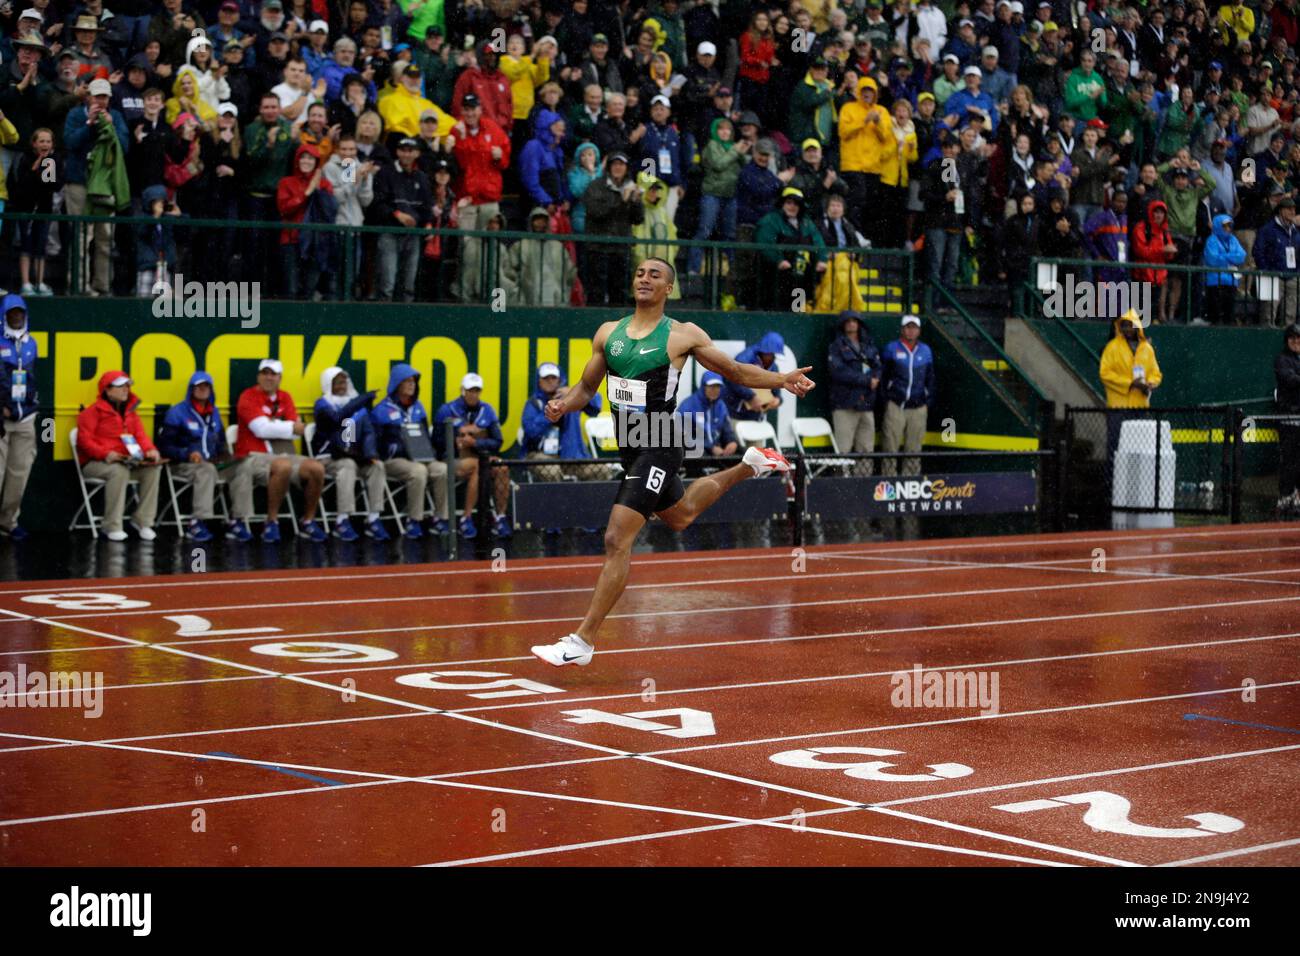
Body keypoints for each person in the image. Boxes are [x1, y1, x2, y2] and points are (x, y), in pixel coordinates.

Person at [529, 258, 814, 667]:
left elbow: (733, 370)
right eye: (640, 272)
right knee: (680, 516)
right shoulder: (608, 334)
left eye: (655, 275)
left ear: (669, 289)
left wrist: (780, 380)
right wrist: (563, 405)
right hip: (630, 443)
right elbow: (587, 387)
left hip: (660, 441)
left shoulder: (682, 336)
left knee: (616, 538)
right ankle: (749, 464)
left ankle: (583, 640)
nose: (645, 278)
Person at [233, 358, 328, 542]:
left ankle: (308, 521)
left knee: (316, 468)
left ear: (280, 378)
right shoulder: (248, 396)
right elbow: (260, 429)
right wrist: (287, 427)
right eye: (265, 373)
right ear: (258, 376)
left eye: (273, 374)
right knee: (282, 466)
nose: (269, 378)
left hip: (283, 454)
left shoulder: (286, 397)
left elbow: (298, 432)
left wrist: (278, 426)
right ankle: (271, 522)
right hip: (252, 456)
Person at [75, 371, 162, 542]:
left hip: (127, 462)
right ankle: (111, 525)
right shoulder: (91, 412)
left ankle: (142, 521)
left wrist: (151, 450)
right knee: (118, 471)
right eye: (121, 386)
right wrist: (106, 454)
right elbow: (84, 441)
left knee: (152, 469)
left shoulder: (131, 414)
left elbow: (141, 437)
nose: (126, 389)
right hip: (96, 464)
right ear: (107, 390)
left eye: (127, 386)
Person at [370, 363, 451, 538]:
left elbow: (425, 436)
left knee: (442, 469)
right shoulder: (381, 410)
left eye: (413, 381)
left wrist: (428, 452)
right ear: (397, 384)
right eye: (407, 381)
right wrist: (399, 445)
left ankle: (440, 518)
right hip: (394, 460)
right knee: (419, 471)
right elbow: (376, 443)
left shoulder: (418, 408)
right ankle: (413, 520)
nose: (411, 384)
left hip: (421, 457)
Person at [311, 366, 388, 541]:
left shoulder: (356, 404)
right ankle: (342, 520)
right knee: (347, 465)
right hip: (328, 457)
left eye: (344, 381)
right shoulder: (323, 404)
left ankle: (374, 518)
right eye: (337, 382)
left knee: (378, 466)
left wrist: (370, 454)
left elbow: (368, 432)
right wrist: (361, 400)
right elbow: (337, 418)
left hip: (355, 456)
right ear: (328, 384)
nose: (342, 386)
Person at [157, 371, 233, 543]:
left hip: (212, 463)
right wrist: (187, 454)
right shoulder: (177, 412)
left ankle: (237, 520)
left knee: (244, 466)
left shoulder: (214, 412)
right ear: (191, 389)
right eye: (198, 386)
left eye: (206, 386)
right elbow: (165, 446)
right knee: (206, 470)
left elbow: (221, 441)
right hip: (184, 465)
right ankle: (197, 521)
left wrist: (226, 457)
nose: (202, 390)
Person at [434, 373, 511, 539]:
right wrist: (457, 439)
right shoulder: (447, 410)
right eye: (470, 390)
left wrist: (475, 443)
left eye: (477, 390)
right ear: (463, 390)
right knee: (479, 465)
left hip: (480, 457)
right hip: (454, 459)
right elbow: (436, 443)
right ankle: (466, 518)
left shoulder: (487, 410)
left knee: (501, 466)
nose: (474, 394)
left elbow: (498, 442)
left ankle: (501, 517)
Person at [521, 361, 605, 482]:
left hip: (571, 458)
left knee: (602, 470)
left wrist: (574, 392)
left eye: (553, 377)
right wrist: (551, 411)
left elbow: (596, 407)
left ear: (559, 380)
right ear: (539, 381)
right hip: (541, 455)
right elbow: (531, 431)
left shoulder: (571, 399)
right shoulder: (533, 404)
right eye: (546, 378)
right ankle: (559, 501)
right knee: (552, 472)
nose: (550, 381)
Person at [372, 137, 433, 302]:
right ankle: (383, 324)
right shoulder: (385, 172)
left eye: (410, 150)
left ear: (417, 153)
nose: (406, 154)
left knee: (409, 285)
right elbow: (377, 203)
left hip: (412, 234)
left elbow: (427, 206)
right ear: (397, 152)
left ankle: (406, 324)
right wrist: (397, 214)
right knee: (387, 284)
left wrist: (427, 223)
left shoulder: (422, 177)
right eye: (403, 150)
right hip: (390, 232)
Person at [0, 295, 39, 539]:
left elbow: (32, 377)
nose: (17, 317)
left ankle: (8, 522)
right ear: (4, 315)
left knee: (19, 474)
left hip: (25, 417)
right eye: (12, 313)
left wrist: (29, 405)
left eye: (20, 313)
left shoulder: (31, 343)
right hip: (1, 418)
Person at [879, 314, 935, 476]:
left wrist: (927, 401)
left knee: (914, 448)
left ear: (918, 331)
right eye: (908, 327)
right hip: (896, 405)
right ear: (902, 329)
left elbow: (930, 378)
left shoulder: (926, 351)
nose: (911, 331)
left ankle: (911, 482)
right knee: (890, 446)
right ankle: (888, 482)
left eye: (914, 328)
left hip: (918, 407)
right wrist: (887, 399)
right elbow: (883, 376)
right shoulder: (892, 348)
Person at [827, 310, 881, 471]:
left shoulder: (868, 345)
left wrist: (875, 378)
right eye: (848, 321)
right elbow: (838, 372)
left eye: (855, 321)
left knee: (866, 449)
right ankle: (841, 487)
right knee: (843, 450)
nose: (852, 324)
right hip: (845, 405)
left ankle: (863, 485)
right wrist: (866, 380)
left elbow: (878, 367)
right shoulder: (836, 346)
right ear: (843, 325)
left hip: (866, 404)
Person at [1253, 197, 1300, 327]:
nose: (1292, 212)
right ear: (1280, 211)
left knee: (1290, 314)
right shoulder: (1267, 229)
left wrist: (1297, 271)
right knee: (1268, 313)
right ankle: (1266, 340)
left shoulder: (1295, 231)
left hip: (1291, 276)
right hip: (1272, 275)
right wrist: (1267, 270)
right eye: (1289, 209)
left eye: (1294, 209)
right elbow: (1258, 252)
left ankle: (1288, 339)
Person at [720, 331, 786, 423]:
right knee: (732, 437)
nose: (772, 358)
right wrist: (751, 397)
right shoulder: (743, 358)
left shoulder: (773, 366)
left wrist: (778, 399)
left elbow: (776, 390)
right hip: (734, 413)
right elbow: (733, 380)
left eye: (774, 355)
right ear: (763, 351)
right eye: (770, 354)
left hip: (756, 416)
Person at [676, 371, 739, 460]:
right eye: (711, 387)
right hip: (697, 449)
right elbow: (684, 437)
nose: (715, 390)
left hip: (717, 448)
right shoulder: (687, 406)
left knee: (741, 453)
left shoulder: (721, 406)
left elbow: (727, 429)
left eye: (718, 387)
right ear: (703, 387)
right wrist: (710, 447)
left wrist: (732, 442)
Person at [1202, 213, 1247, 324]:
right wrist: (1231, 258)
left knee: (1229, 315)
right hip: (1214, 282)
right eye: (1224, 226)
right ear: (1218, 226)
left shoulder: (1233, 239)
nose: (1227, 228)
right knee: (1215, 315)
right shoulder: (1211, 240)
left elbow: (1242, 256)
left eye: (1229, 226)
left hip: (1231, 282)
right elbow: (1212, 259)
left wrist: (1224, 258)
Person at [1275, 323, 1300, 513]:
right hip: (1289, 418)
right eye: (1292, 338)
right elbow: (1290, 380)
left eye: (1298, 338)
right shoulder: (1282, 360)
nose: (1296, 342)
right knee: (1289, 459)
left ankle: (1296, 495)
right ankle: (1285, 495)